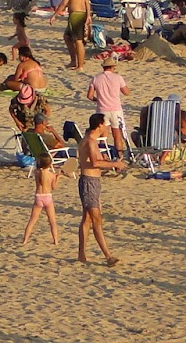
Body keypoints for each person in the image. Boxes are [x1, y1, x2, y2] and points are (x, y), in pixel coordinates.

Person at [77, 111, 126, 265]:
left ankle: (81, 254)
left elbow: (95, 162)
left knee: (87, 219)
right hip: (89, 182)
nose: (107, 128)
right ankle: (108, 256)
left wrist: (107, 163)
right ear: (99, 125)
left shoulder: (90, 139)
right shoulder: (90, 141)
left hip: (92, 181)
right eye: (105, 125)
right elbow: (94, 163)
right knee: (96, 219)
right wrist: (114, 164)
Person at [86, 55, 129, 157]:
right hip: (116, 109)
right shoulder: (118, 77)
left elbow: (89, 96)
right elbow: (126, 92)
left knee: (103, 136)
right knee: (117, 136)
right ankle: (119, 157)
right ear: (112, 67)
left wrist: (98, 100)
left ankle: (104, 156)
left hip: (102, 110)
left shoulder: (96, 78)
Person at [56, 0, 92, 71]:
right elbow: (87, 2)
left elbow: (64, 3)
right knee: (67, 37)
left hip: (76, 15)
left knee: (78, 40)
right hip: (82, 14)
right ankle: (73, 61)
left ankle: (80, 65)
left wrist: (55, 14)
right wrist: (88, 15)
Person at [21, 154, 60, 246]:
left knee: (32, 221)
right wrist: (58, 177)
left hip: (39, 197)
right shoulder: (51, 175)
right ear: (50, 164)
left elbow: (41, 178)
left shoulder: (36, 172)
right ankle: (56, 241)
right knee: (52, 221)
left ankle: (25, 240)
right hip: (48, 197)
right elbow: (54, 187)